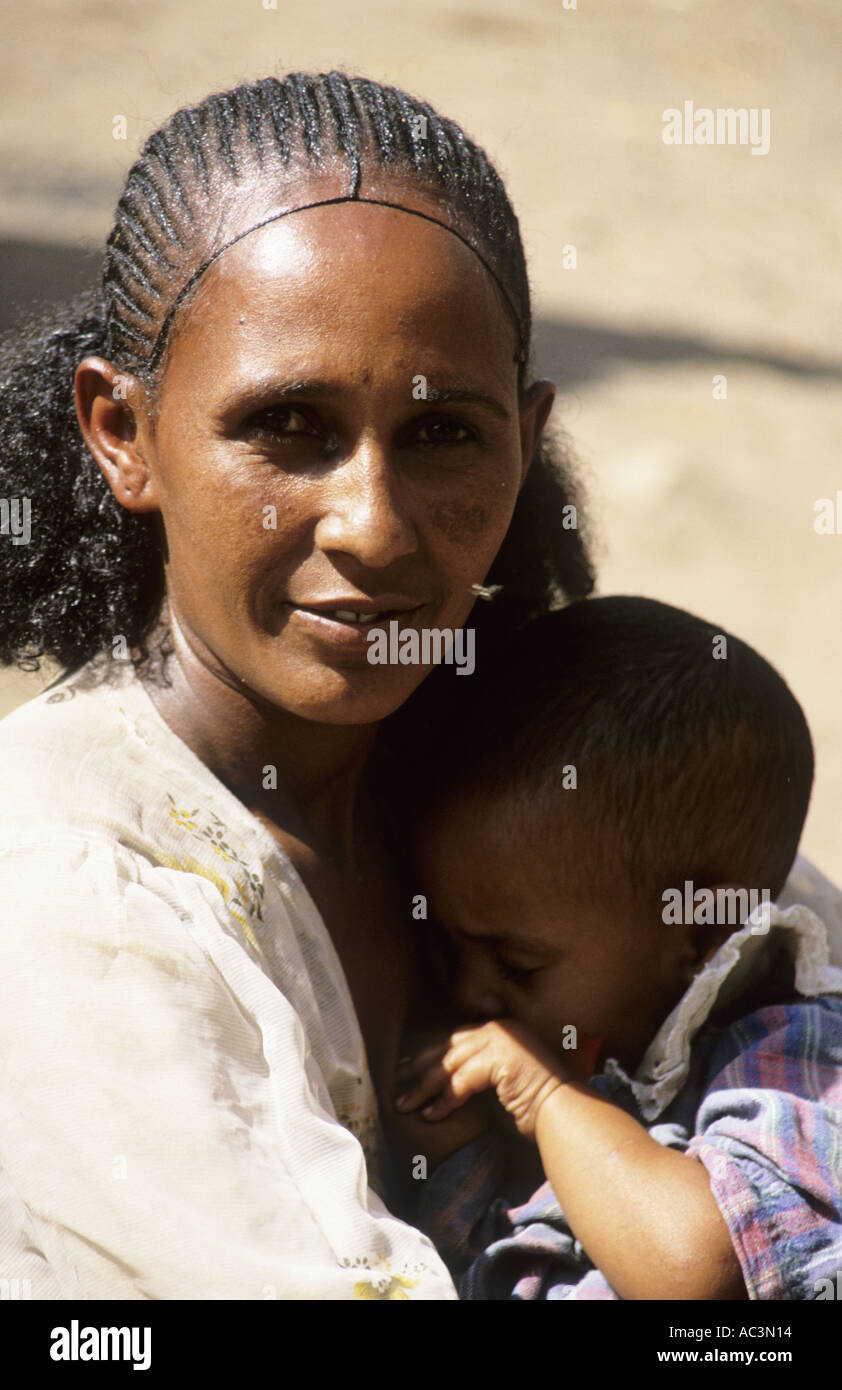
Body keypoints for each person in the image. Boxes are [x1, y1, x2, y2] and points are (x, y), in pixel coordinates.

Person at [0, 69, 598, 1300]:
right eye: (288, 425)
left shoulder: (565, 764)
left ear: (524, 441)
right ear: (122, 431)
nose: (374, 529)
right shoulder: (65, 896)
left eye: (443, 435)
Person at [394, 596, 842, 1300]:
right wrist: (448, 1134)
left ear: (698, 933)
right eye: (450, 949)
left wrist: (546, 1097)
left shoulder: (797, 1057)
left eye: (517, 964)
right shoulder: (584, 1055)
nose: (471, 993)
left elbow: (696, 1274)